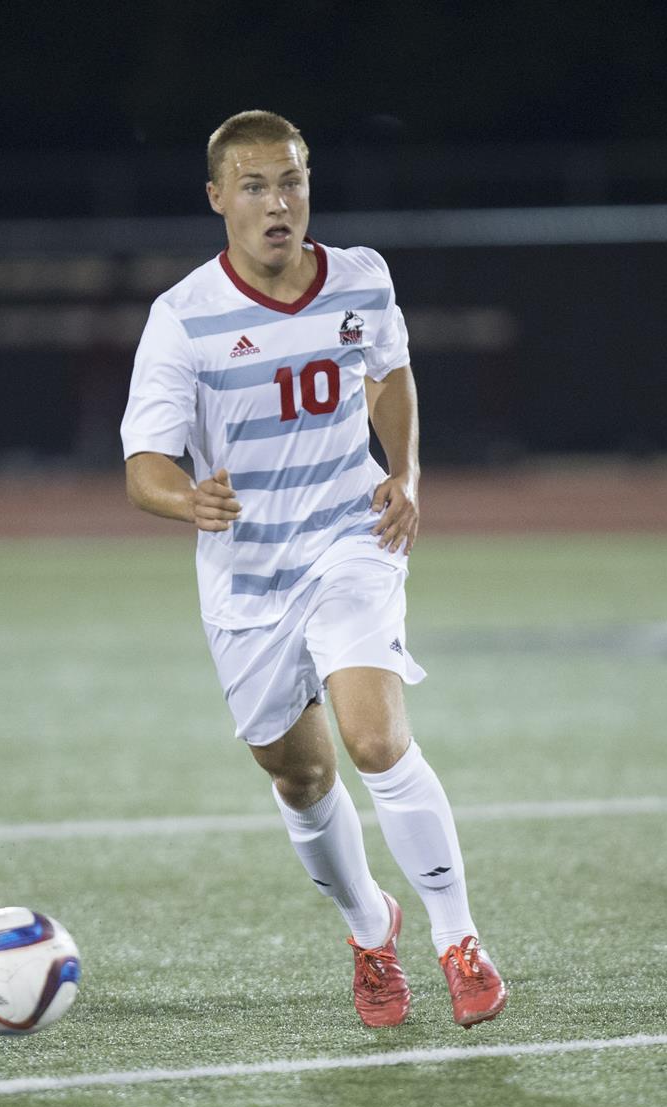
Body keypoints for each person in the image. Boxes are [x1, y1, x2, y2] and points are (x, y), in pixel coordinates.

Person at [120, 110, 507, 1027]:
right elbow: (143, 469)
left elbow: (390, 373)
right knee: (297, 775)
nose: (276, 203)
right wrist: (189, 501)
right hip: (248, 573)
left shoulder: (363, 277)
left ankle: (460, 940)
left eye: (290, 181)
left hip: (350, 540)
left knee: (374, 737)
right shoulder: (182, 319)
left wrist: (404, 472)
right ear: (217, 199)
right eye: (253, 187)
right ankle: (372, 928)